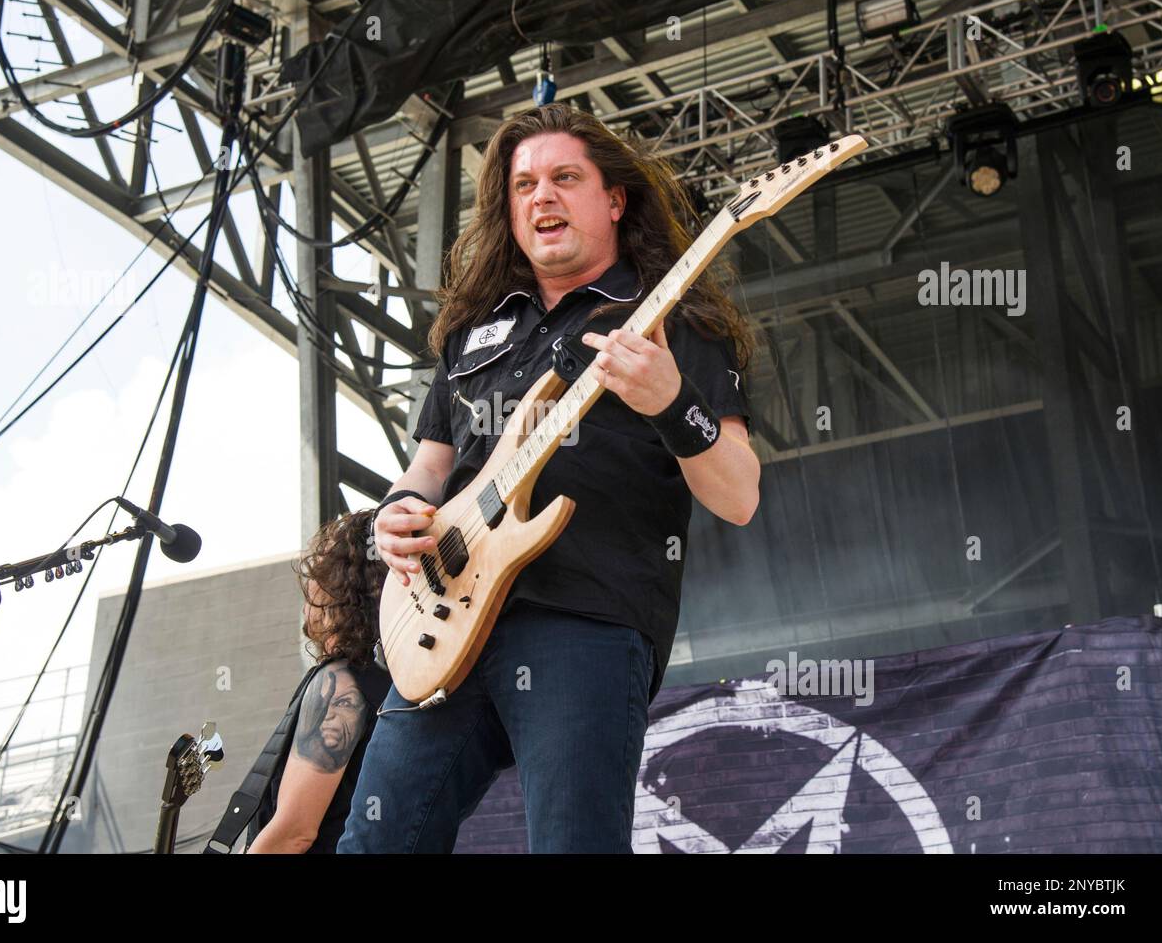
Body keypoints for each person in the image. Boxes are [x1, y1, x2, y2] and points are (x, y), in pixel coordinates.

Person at [338, 103, 761, 854]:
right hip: (445, 619)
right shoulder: (475, 333)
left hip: (584, 622)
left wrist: (670, 401)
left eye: (566, 177)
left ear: (614, 199)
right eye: (525, 183)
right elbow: (430, 467)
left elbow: (738, 494)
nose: (542, 196)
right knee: (375, 843)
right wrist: (396, 513)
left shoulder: (672, 319)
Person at [213, 510, 390, 854]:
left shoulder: (338, 683)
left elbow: (295, 831)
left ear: (331, 592)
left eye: (315, 583)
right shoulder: (396, 687)